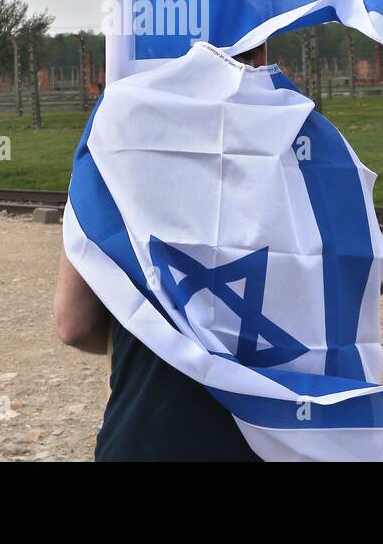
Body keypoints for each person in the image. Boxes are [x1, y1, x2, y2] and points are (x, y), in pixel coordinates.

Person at [52, 45, 270, 462]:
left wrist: (163, 336)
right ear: (259, 54)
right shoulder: (318, 153)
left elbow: (74, 324)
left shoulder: (115, 155)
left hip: (149, 437)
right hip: (284, 443)